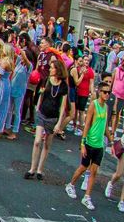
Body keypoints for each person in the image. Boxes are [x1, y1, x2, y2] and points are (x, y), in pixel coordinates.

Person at [66, 80, 111, 211]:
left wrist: (111, 141)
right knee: (83, 167)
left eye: (108, 92)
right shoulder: (94, 105)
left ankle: (87, 196)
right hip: (90, 142)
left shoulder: (106, 107)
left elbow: (105, 126)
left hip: (99, 144)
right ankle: (71, 184)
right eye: (105, 92)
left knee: (94, 171)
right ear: (99, 92)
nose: (107, 95)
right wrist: (83, 143)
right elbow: (87, 125)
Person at [26, 55, 69, 181]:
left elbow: (63, 106)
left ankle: (40, 169)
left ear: (57, 70)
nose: (50, 69)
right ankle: (32, 168)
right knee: (37, 141)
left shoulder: (63, 86)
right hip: (42, 113)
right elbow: (41, 94)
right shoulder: (47, 80)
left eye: (52, 68)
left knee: (47, 144)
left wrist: (59, 123)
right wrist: (37, 107)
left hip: (53, 117)